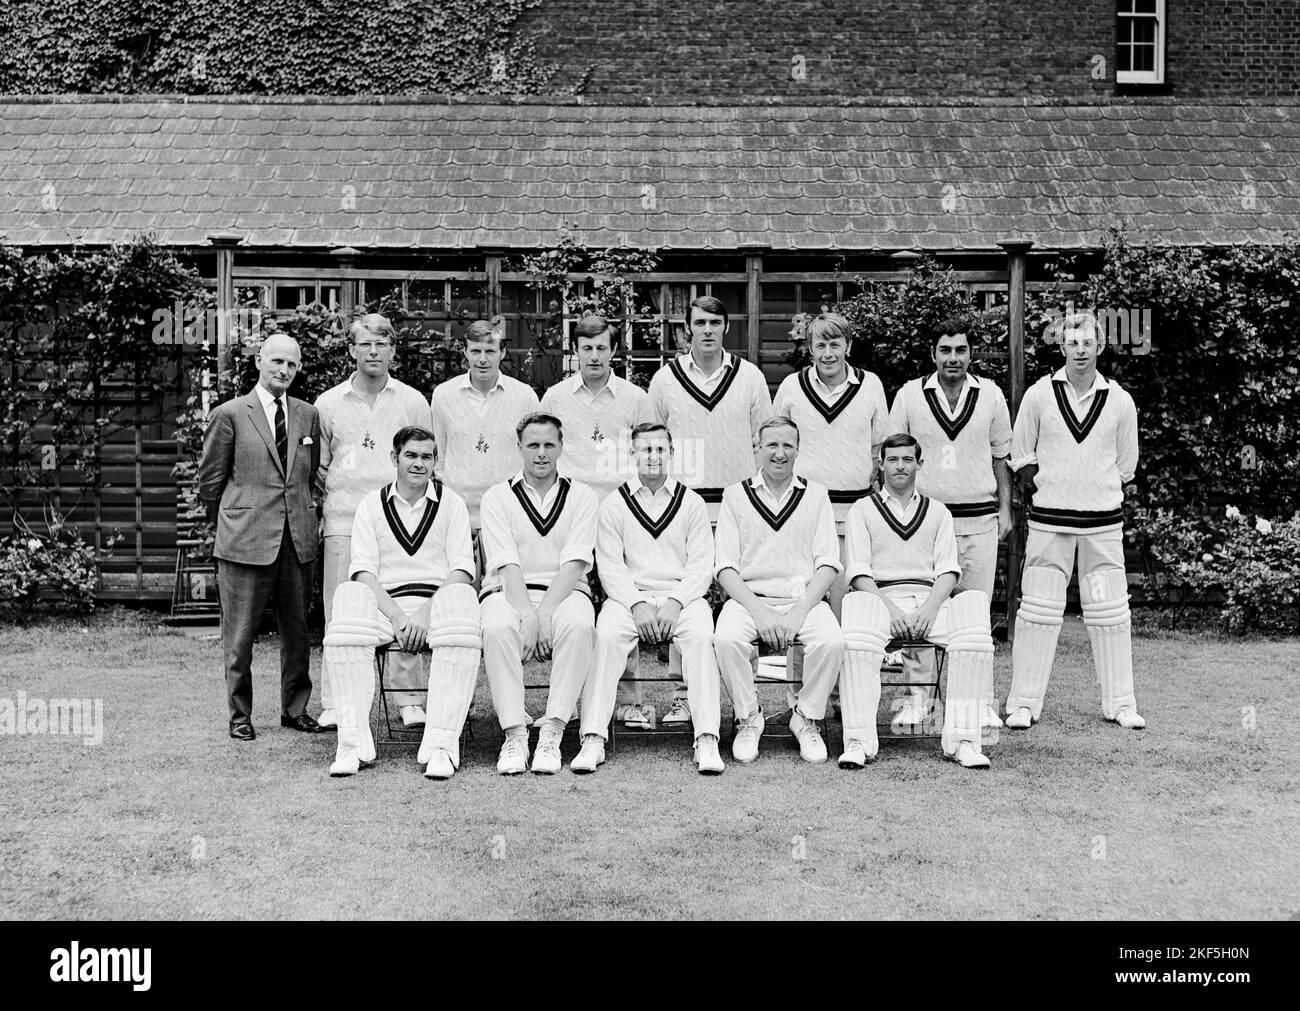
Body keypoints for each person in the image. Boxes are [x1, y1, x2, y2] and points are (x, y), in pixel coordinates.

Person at [1004, 312, 1145, 731]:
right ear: (1061, 346)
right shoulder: (1039, 395)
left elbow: (1126, 464)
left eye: (1087, 343)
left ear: (1099, 346)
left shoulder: (1120, 400)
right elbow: (1021, 454)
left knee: (1110, 613)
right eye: (1073, 343)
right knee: (1038, 612)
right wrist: (1054, 490)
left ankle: (1120, 703)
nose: (1080, 350)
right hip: (1051, 527)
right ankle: (1023, 704)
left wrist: (1091, 491)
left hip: (1101, 529)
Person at [320, 427, 479, 779]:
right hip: (386, 607)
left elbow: (462, 571)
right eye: (411, 455)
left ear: (435, 462)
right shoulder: (371, 506)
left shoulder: (450, 504)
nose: (419, 463)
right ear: (394, 458)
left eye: (426, 457)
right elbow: (362, 572)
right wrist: (395, 617)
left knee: (462, 610)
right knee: (347, 604)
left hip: (436, 606)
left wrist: (425, 613)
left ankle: (441, 744)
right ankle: (352, 742)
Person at [643, 295, 772, 728]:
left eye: (716, 322)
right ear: (687, 329)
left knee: (740, 603)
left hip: (739, 505)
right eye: (700, 323)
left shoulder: (750, 377)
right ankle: (683, 696)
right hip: (684, 506)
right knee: (689, 599)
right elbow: (652, 440)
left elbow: (763, 440)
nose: (708, 330)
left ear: (726, 327)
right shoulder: (664, 380)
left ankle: (744, 700)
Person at [573, 423, 723, 775]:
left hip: (683, 600)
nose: (653, 456)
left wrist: (676, 602)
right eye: (646, 450)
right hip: (629, 600)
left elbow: (702, 566)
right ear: (633, 454)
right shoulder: (613, 504)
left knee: (702, 637)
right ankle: (593, 736)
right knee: (607, 635)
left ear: (671, 453)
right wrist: (636, 604)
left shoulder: (692, 502)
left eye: (660, 450)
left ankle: (707, 738)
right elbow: (609, 567)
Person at [838, 434, 995, 770]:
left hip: (928, 602)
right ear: (880, 465)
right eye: (892, 459)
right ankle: (858, 740)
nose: (900, 466)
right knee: (856, 638)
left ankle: (964, 740)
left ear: (919, 464)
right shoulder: (862, 511)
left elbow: (949, 571)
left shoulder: (937, 511)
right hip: (879, 600)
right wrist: (890, 610)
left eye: (907, 459)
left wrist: (928, 608)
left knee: (973, 632)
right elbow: (858, 572)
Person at [886, 316, 1013, 730]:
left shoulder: (991, 395)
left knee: (974, 613)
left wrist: (1006, 510)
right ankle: (916, 698)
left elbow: (1001, 457)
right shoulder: (908, 395)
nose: (953, 358)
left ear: (970, 353)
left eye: (960, 349)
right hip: (923, 523)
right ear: (932, 354)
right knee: (919, 610)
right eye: (945, 350)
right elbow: (894, 458)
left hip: (979, 518)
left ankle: (977, 700)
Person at [197, 333, 324, 741]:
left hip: (297, 540)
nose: (283, 370)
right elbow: (209, 482)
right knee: (239, 636)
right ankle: (240, 715)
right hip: (244, 542)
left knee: (298, 632)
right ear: (259, 363)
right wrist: (234, 522)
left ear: (298, 368)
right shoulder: (230, 414)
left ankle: (294, 709)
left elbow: (308, 473)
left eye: (291, 364)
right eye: (276, 362)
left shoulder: (307, 415)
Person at [315, 313, 435, 731]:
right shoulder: (327, 404)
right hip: (344, 521)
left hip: (398, 520)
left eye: (381, 344)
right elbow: (319, 467)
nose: (373, 351)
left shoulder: (412, 401)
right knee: (340, 610)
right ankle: (335, 700)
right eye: (365, 344)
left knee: (406, 602)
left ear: (392, 351)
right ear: (352, 349)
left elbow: (424, 460)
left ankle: (408, 700)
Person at [540, 313, 652, 729]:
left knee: (622, 600)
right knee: (574, 606)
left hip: (622, 513)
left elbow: (646, 452)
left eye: (602, 347)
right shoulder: (554, 397)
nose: (594, 356)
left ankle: (626, 699)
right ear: (575, 352)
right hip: (570, 514)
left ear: (614, 351)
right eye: (586, 348)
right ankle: (568, 701)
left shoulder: (635, 398)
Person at [712, 416, 844, 765]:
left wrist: (799, 610)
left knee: (831, 640)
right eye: (772, 445)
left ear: (798, 449)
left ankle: (806, 717)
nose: (780, 453)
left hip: (803, 601)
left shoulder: (816, 496)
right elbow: (725, 567)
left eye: (788, 445)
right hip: (749, 601)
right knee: (726, 639)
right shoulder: (735, 496)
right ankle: (749, 716)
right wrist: (760, 612)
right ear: (758, 448)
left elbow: (828, 564)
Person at [478, 413, 599, 775]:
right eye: (533, 445)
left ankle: (552, 730)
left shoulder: (582, 495)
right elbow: (506, 563)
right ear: (519, 448)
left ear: (561, 447)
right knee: (498, 627)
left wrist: (543, 614)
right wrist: (528, 616)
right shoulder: (497, 496)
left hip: (565, 592)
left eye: (549, 445)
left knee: (579, 625)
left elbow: (576, 562)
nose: (541, 453)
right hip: (507, 591)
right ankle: (514, 734)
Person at [429, 319, 541, 530]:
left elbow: (533, 456)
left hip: (511, 515)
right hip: (457, 516)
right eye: (476, 351)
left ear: (503, 352)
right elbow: (440, 456)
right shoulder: (443, 395)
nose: (482, 359)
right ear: (465, 352)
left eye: (490, 351)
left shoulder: (525, 396)